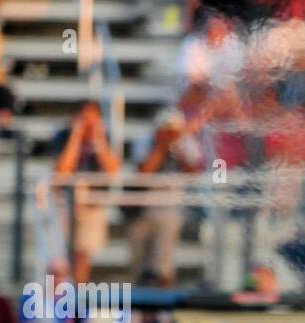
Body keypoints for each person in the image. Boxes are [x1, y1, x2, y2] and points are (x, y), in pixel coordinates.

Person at [130, 109, 201, 285]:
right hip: (142, 207)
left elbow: (193, 173)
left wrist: (178, 149)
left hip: (170, 207)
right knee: (139, 263)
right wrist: (161, 148)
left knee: (164, 263)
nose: (169, 134)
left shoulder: (186, 144)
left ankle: (163, 304)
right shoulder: (145, 143)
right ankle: (141, 304)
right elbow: (144, 173)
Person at [54, 101, 122, 283]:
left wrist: (98, 139)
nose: (89, 122)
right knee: (62, 255)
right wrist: (76, 135)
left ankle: (78, 296)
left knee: (84, 254)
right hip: (68, 201)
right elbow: (63, 170)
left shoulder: (103, 138)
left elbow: (113, 170)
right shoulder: (64, 136)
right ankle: (61, 297)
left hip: (93, 202)